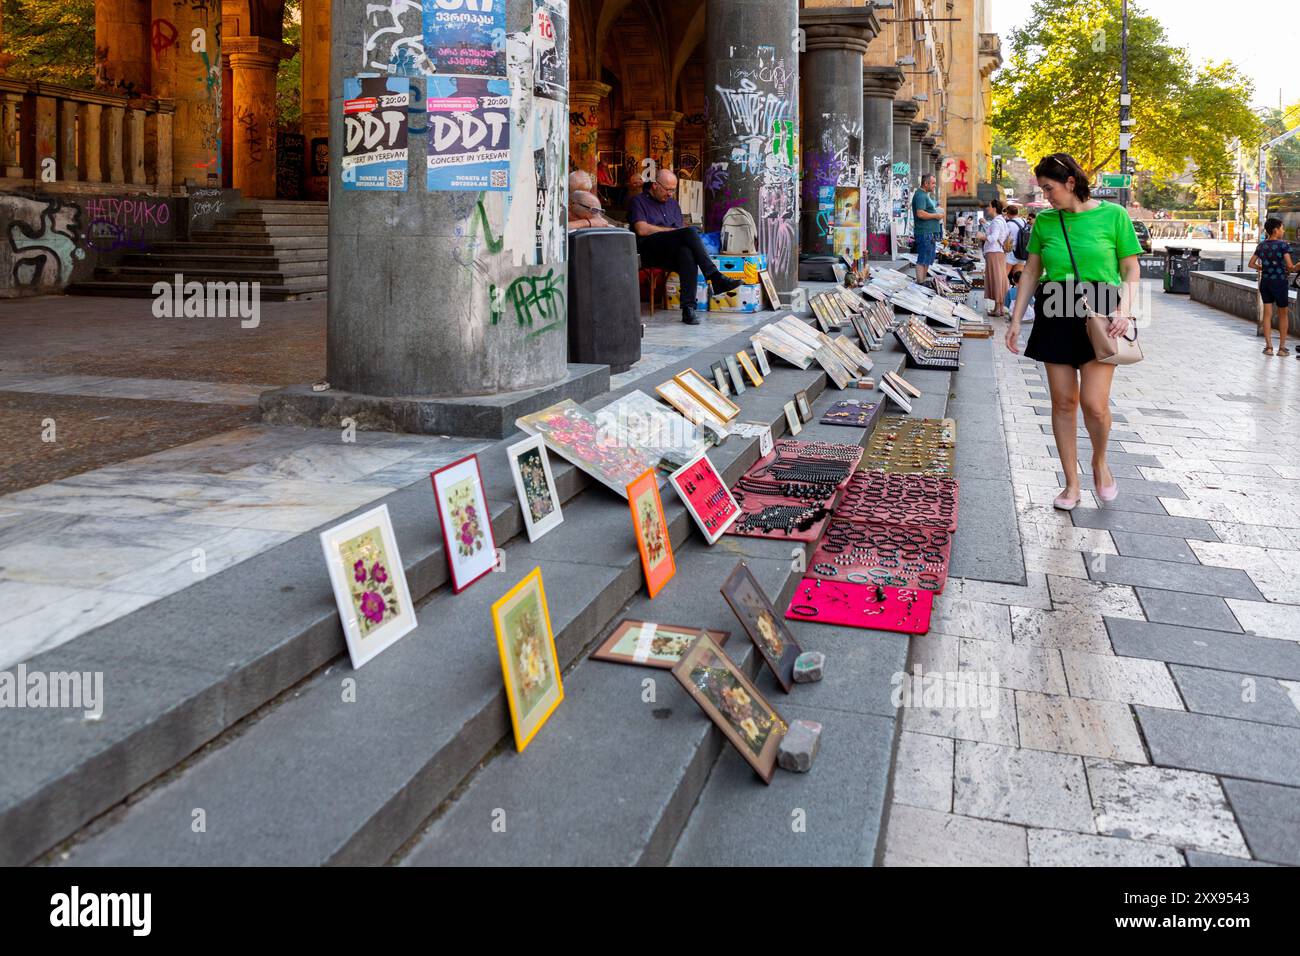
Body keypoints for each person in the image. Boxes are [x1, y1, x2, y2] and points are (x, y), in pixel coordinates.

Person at [1006, 152, 1141, 510]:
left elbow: (1130, 269)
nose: (1046, 196)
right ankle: (1071, 483)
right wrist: (1017, 319)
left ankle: (1099, 461)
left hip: (1101, 311)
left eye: (1049, 188)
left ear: (1070, 183)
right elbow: (1032, 272)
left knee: (1094, 404)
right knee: (1063, 402)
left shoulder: (1114, 215)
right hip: (1054, 308)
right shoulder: (1047, 222)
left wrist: (1124, 311)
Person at [628, 169, 740, 325]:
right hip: (648, 249)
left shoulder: (673, 204)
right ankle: (714, 276)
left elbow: (680, 233)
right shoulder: (638, 201)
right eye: (668, 189)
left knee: (686, 253)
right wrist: (675, 232)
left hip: (670, 252)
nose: (671, 194)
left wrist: (678, 233)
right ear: (655, 185)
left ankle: (688, 309)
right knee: (689, 233)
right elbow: (642, 229)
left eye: (673, 190)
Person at [1248, 217, 1297, 356]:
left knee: (1267, 315)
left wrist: (1262, 268)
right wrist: (1296, 266)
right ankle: (1282, 349)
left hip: (1266, 282)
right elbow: (1289, 266)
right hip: (1280, 282)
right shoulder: (1283, 245)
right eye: (1282, 228)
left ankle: (1269, 347)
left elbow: (1251, 264)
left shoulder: (1262, 245)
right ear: (1276, 230)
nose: (1283, 230)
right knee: (1283, 314)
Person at [978, 198, 1009, 317]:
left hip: (994, 253)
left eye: (989, 206)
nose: (987, 208)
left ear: (994, 208)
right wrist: (986, 224)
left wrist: (982, 236)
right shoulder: (1001, 220)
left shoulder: (997, 221)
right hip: (999, 253)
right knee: (999, 279)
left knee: (996, 279)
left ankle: (997, 308)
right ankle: (999, 308)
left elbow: (993, 238)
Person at [911, 173, 943, 283]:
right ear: (926, 183)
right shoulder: (921, 195)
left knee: (927, 259)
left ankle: (922, 281)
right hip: (924, 233)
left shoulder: (924, 195)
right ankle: (920, 282)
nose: (935, 185)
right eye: (933, 183)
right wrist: (936, 216)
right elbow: (920, 213)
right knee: (923, 259)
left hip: (929, 233)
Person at [1004, 204, 1027, 288]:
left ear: (1008, 213)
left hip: (1012, 253)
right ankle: (1017, 296)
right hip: (1023, 253)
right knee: (1018, 277)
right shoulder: (1024, 221)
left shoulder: (1009, 224)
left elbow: (1004, 238)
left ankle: (1006, 294)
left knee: (1004, 275)